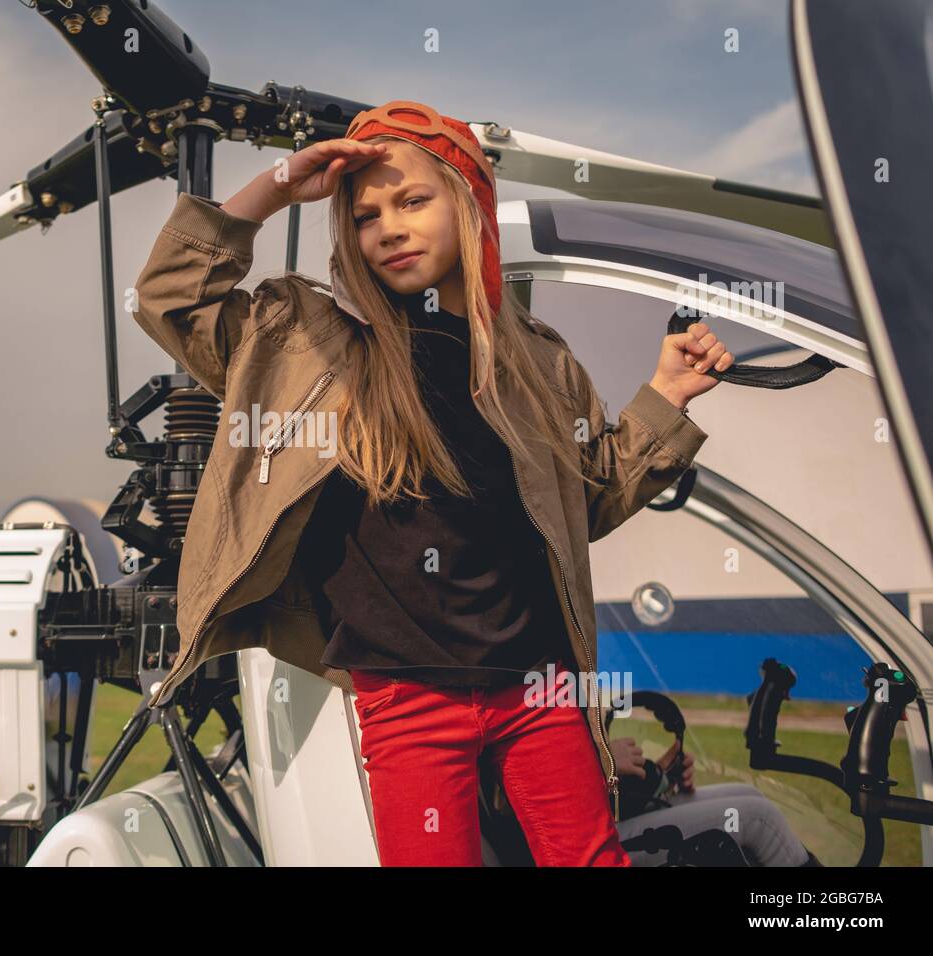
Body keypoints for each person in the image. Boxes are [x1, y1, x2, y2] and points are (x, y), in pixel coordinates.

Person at [132, 99, 734, 866]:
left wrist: (666, 396)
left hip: (540, 689)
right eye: (364, 215)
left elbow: (588, 502)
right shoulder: (304, 344)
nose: (389, 226)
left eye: (413, 200)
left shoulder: (539, 363)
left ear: (469, 203)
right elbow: (173, 295)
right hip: (406, 700)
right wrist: (279, 185)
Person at [610, 736, 817, 866]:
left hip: (606, 819)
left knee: (749, 794)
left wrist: (658, 777)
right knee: (758, 819)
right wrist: (601, 761)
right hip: (593, 846)